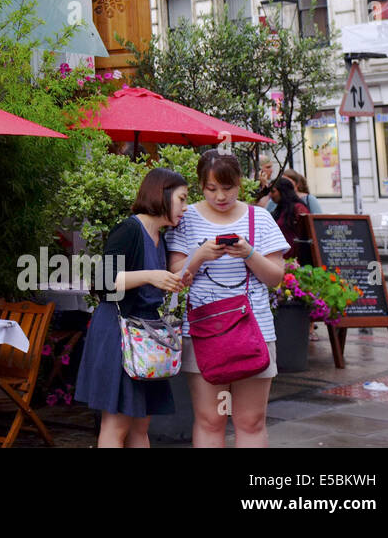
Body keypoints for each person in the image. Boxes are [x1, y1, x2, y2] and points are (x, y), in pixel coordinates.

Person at [168, 151, 286, 448]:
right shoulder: (187, 218)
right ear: (201, 186)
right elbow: (175, 280)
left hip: (253, 330)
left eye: (228, 188)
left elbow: (275, 277)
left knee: (251, 421)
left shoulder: (259, 218)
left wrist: (248, 253)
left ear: (240, 184)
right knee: (210, 419)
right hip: (204, 332)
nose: (221, 196)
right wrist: (200, 256)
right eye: (211, 189)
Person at [76, 167, 189, 448]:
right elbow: (103, 283)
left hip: (144, 336)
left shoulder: (158, 236)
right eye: (182, 199)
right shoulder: (129, 230)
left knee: (140, 426)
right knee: (116, 426)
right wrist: (151, 276)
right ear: (162, 195)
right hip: (120, 333)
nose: (185, 207)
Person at [271, 176, 312, 264]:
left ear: (282, 191)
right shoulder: (279, 210)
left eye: (273, 191)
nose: (271, 195)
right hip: (281, 258)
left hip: (296, 260)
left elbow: (308, 232)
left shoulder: (298, 208)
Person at [255, 163, 322, 214]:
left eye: (288, 182)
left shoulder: (308, 200)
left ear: (297, 184)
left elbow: (318, 219)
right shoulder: (275, 200)